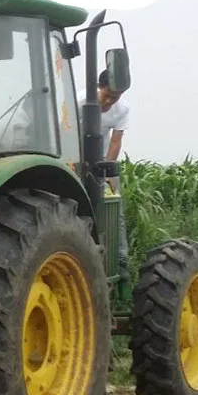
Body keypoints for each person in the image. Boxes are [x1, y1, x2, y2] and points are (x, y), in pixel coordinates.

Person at [78, 69, 130, 277]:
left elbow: (116, 141)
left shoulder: (122, 109)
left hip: (102, 161)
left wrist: (107, 171)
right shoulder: (78, 102)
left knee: (114, 208)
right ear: (97, 88)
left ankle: (120, 262)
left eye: (114, 97)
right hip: (76, 156)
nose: (109, 101)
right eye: (106, 95)